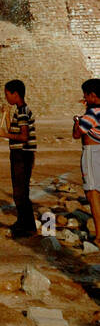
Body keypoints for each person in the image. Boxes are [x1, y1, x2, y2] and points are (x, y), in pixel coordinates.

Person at [3, 79, 37, 239]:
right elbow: (15, 130)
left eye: (7, 95)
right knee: (20, 191)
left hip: (22, 155)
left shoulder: (23, 111)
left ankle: (26, 226)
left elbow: (23, 136)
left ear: (15, 94)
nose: (6, 98)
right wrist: (8, 118)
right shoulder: (19, 111)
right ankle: (24, 223)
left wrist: (3, 135)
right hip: (19, 154)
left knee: (20, 192)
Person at [72, 79, 100, 241]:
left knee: (92, 194)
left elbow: (77, 134)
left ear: (93, 95)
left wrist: (77, 121)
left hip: (92, 152)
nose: (84, 98)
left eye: (86, 95)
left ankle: (99, 234)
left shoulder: (92, 113)